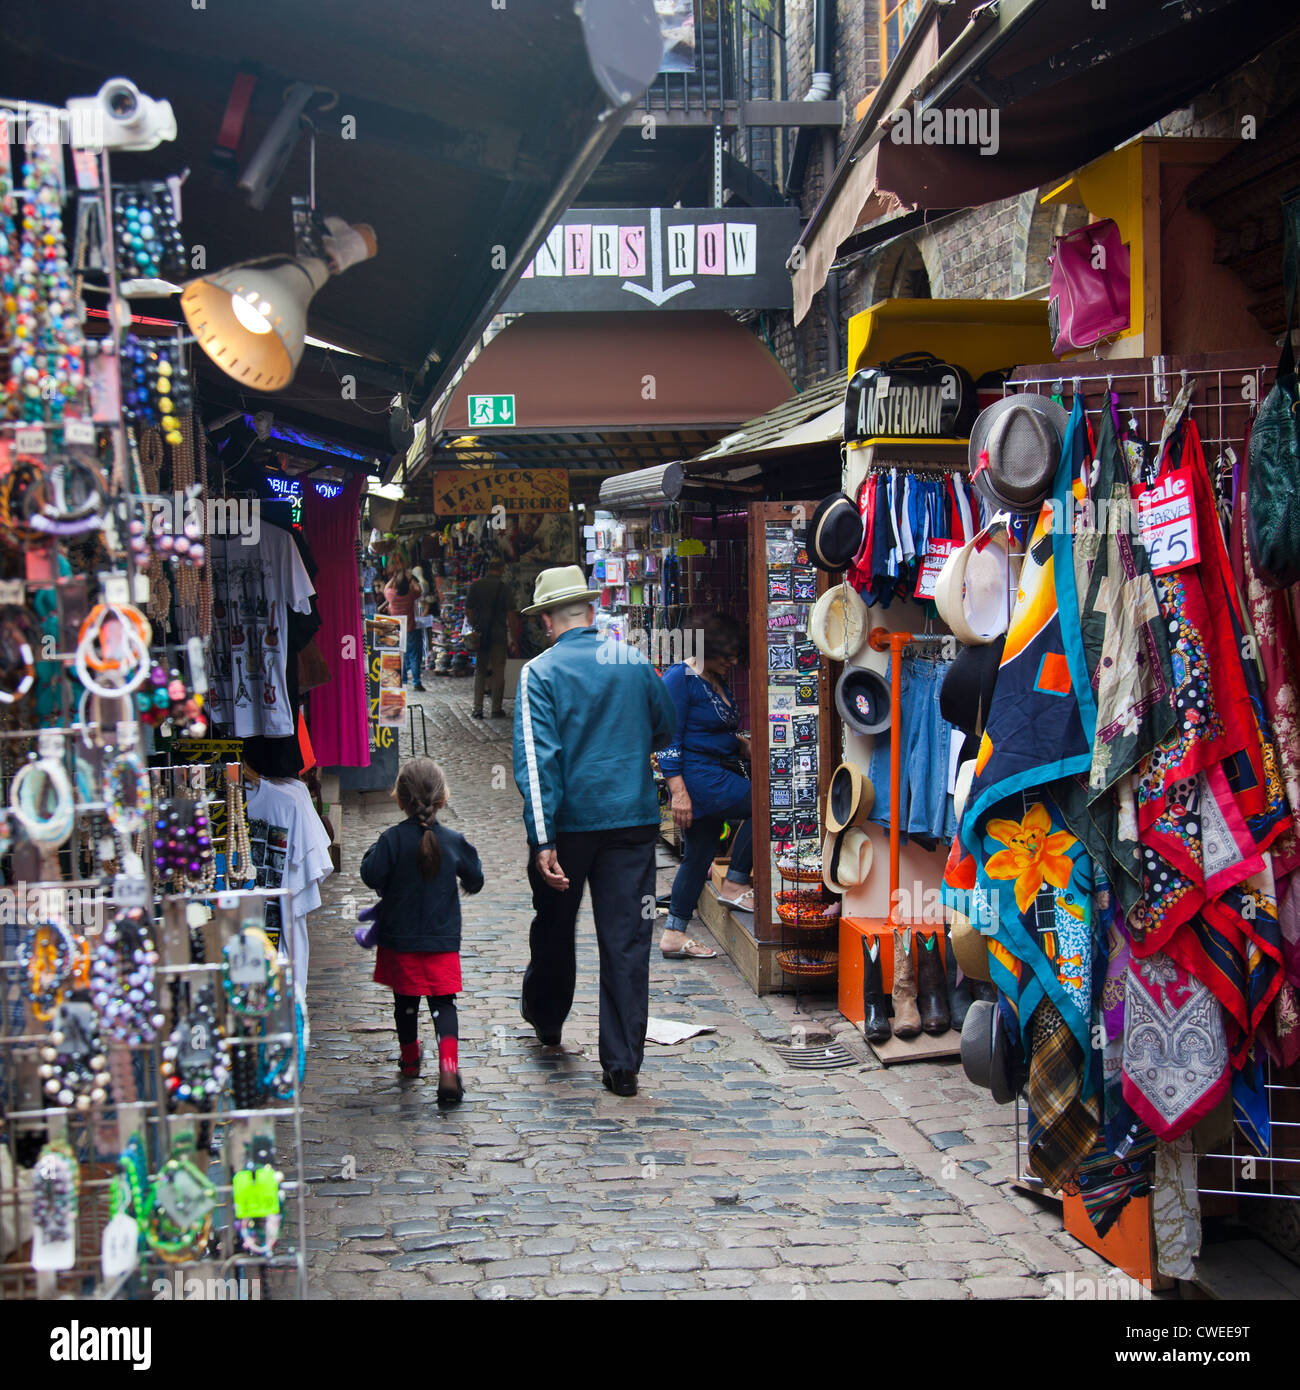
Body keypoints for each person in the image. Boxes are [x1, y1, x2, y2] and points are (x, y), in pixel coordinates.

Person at [513, 565, 676, 1098]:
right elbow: (665, 725)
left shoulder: (539, 673)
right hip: (632, 821)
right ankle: (623, 1062)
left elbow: (538, 765)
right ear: (590, 611)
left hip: (568, 827)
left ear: (546, 621)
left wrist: (542, 840)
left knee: (555, 928)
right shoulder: (633, 662)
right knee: (628, 938)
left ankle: (547, 1019)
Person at [359, 759, 482, 1105]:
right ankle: (448, 1068)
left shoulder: (392, 840)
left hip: (400, 940)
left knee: (406, 1002)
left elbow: (370, 874)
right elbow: (476, 879)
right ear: (442, 799)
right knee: (444, 1004)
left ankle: (410, 1061)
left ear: (399, 798)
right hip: (441, 941)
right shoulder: (453, 840)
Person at [659, 614, 755, 957]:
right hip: (699, 777)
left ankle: (673, 934)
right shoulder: (679, 678)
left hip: (716, 770)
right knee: (766, 804)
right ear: (703, 649)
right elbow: (668, 738)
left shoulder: (713, 676)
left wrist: (740, 744)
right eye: (725, 655)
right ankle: (735, 881)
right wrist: (678, 791)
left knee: (698, 856)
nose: (732, 662)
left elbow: (715, 729)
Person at [467, 557, 511, 719]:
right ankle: (496, 708)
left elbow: (469, 610)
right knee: (499, 671)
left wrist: (475, 626)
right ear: (500, 569)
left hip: (481, 635)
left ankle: (477, 708)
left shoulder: (476, 586)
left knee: (480, 671)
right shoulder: (504, 588)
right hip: (499, 635)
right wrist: (513, 635)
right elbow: (511, 614)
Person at [384, 564, 425, 691]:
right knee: (414, 655)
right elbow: (420, 590)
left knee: (399, 655)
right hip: (410, 629)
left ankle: (402, 679)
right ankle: (416, 682)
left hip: (395, 629)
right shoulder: (411, 594)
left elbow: (386, 588)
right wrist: (412, 581)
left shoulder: (392, 595)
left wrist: (393, 579)